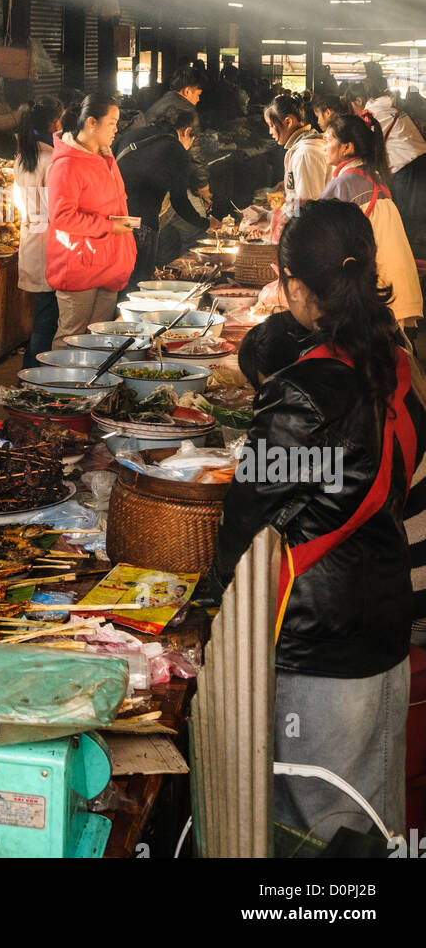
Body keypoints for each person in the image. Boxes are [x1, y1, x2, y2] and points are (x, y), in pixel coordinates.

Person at [211, 199, 426, 842]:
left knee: (315, 833)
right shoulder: (394, 358)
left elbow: (244, 527)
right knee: (371, 821)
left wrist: (206, 621)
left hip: (318, 646)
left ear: (298, 288)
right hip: (384, 621)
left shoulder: (302, 394)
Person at [45, 93, 136, 346]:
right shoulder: (67, 164)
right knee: (70, 338)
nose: (116, 129)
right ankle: (57, 375)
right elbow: (62, 217)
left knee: (98, 338)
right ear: (92, 123)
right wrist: (109, 226)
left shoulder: (105, 156)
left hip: (109, 263)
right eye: (112, 123)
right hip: (79, 265)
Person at [321, 113, 422, 324]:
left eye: (328, 140)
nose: (324, 147)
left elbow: (321, 237)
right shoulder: (374, 177)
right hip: (395, 286)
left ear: (347, 147)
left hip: (378, 290)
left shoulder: (344, 183)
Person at [116, 120, 210, 285]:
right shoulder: (176, 149)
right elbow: (179, 201)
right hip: (144, 224)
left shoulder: (132, 134)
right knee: (140, 281)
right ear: (186, 131)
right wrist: (205, 223)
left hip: (117, 220)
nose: (189, 147)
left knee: (120, 278)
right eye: (192, 141)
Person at [13, 96, 64, 367]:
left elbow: (19, 202)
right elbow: (55, 209)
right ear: (55, 124)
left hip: (32, 239)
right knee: (47, 319)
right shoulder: (50, 159)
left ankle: (30, 370)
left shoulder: (23, 156)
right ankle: (32, 374)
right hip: (48, 245)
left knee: (43, 314)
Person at [363, 68, 426, 259]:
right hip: (418, 162)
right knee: (413, 219)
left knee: (407, 220)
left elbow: (365, 147)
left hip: (408, 169)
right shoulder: (391, 108)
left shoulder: (373, 113)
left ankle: (409, 264)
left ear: (358, 100)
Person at [144, 65, 212, 211]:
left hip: (148, 173)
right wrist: (203, 184)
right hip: (167, 176)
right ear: (187, 91)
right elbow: (194, 152)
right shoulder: (187, 111)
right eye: (198, 94)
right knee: (195, 212)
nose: (198, 99)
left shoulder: (160, 103)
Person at [264, 93, 328, 224]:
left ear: (288, 122)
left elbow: (307, 209)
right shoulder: (304, 148)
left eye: (271, 125)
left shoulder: (305, 154)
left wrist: (270, 219)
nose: (270, 132)